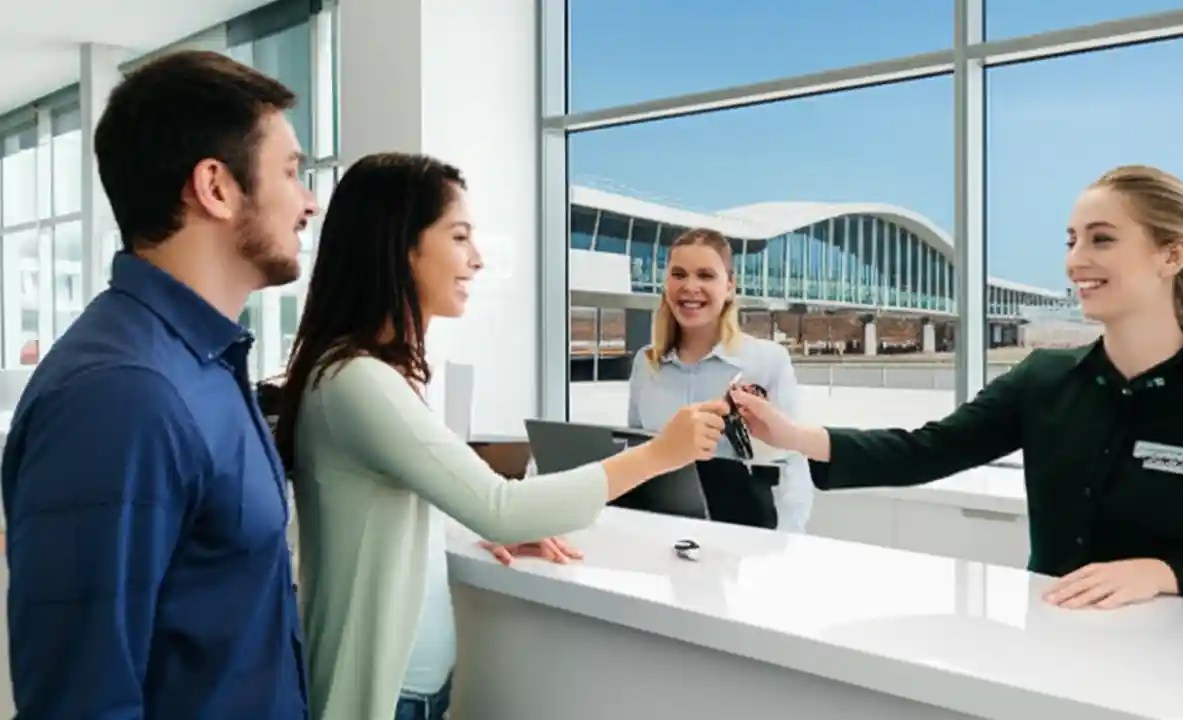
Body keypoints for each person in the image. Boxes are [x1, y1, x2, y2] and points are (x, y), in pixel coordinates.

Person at [273, 152, 728, 720]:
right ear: (401, 246)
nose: (477, 260)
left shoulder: (370, 374)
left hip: (414, 692)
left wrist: (475, 532)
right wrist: (662, 453)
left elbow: (394, 513)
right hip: (387, 701)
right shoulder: (356, 380)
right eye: (459, 237)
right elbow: (501, 507)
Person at [731, 164, 1183, 612]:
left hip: (1172, 679)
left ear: (1171, 255)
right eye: (1071, 240)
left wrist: (1167, 575)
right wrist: (793, 435)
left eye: (1102, 239)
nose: (1075, 260)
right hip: (1042, 655)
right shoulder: (1043, 379)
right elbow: (927, 450)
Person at [0, 51, 317, 718]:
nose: (309, 201)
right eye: (291, 172)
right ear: (216, 187)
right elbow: (81, 700)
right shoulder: (123, 395)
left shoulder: (203, 362)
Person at [627, 227, 813, 532]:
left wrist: (785, 543)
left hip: (741, 540)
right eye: (678, 274)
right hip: (662, 534)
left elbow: (789, 465)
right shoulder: (646, 364)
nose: (690, 287)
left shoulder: (767, 362)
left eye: (705, 275)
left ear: (729, 286)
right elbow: (635, 453)